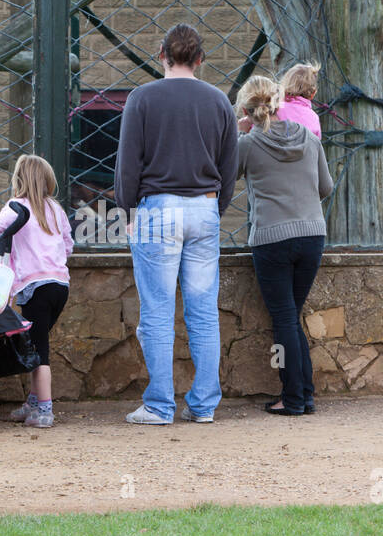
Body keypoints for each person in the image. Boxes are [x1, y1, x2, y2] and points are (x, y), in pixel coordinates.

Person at [115, 23, 238, 425]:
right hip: (204, 207)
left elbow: (128, 162)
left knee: (157, 311)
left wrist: (128, 209)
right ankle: (203, 405)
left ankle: (159, 405)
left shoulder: (142, 99)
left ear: (162, 55)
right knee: (203, 314)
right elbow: (229, 167)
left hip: (158, 209)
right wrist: (214, 209)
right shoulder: (220, 101)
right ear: (200, 59)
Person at [235, 74, 332, 416]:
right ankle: (303, 394)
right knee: (291, 316)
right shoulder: (308, 136)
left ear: (246, 109)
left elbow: (225, 177)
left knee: (285, 318)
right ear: (278, 102)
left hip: (272, 238)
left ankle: (292, 398)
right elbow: (326, 187)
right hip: (312, 235)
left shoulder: (247, 143)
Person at [0, 154, 74, 429]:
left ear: (18, 179)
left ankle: (44, 410)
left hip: (35, 287)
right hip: (59, 286)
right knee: (34, 343)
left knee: (39, 350)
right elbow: (68, 245)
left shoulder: (16, 207)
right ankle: (32, 402)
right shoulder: (56, 208)